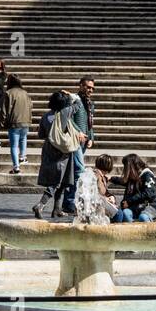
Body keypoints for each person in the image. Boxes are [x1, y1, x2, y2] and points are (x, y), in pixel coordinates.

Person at [32, 90, 85, 220]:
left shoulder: (46, 116)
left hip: (49, 149)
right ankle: (40, 205)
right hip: (63, 152)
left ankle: (57, 209)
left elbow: (41, 135)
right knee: (57, 181)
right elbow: (78, 104)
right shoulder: (65, 112)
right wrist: (72, 95)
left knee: (62, 180)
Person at [62, 76, 95, 213]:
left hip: (84, 141)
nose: (90, 90)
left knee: (74, 172)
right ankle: (72, 202)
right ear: (81, 85)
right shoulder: (74, 99)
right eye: (88, 87)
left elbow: (91, 122)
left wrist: (91, 137)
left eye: (92, 88)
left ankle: (69, 202)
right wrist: (78, 132)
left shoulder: (90, 103)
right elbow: (68, 119)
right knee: (80, 171)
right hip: (75, 141)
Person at [113, 154, 156, 222]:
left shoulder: (147, 175)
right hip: (135, 207)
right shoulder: (134, 175)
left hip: (149, 207)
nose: (125, 170)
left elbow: (148, 193)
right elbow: (123, 181)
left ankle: (147, 231)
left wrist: (129, 201)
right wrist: (111, 179)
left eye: (126, 167)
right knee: (125, 213)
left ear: (131, 167)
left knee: (143, 217)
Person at [2, 74, 32, 174]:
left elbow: (4, 110)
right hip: (25, 121)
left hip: (14, 122)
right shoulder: (25, 93)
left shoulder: (8, 93)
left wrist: (1, 122)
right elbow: (30, 106)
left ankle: (16, 167)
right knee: (23, 139)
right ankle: (22, 157)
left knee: (14, 146)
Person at [94, 154, 119, 220]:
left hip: (102, 205)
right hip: (95, 207)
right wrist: (105, 199)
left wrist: (111, 197)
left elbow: (106, 192)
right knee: (119, 214)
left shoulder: (103, 177)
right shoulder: (94, 175)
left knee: (119, 212)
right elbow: (91, 194)